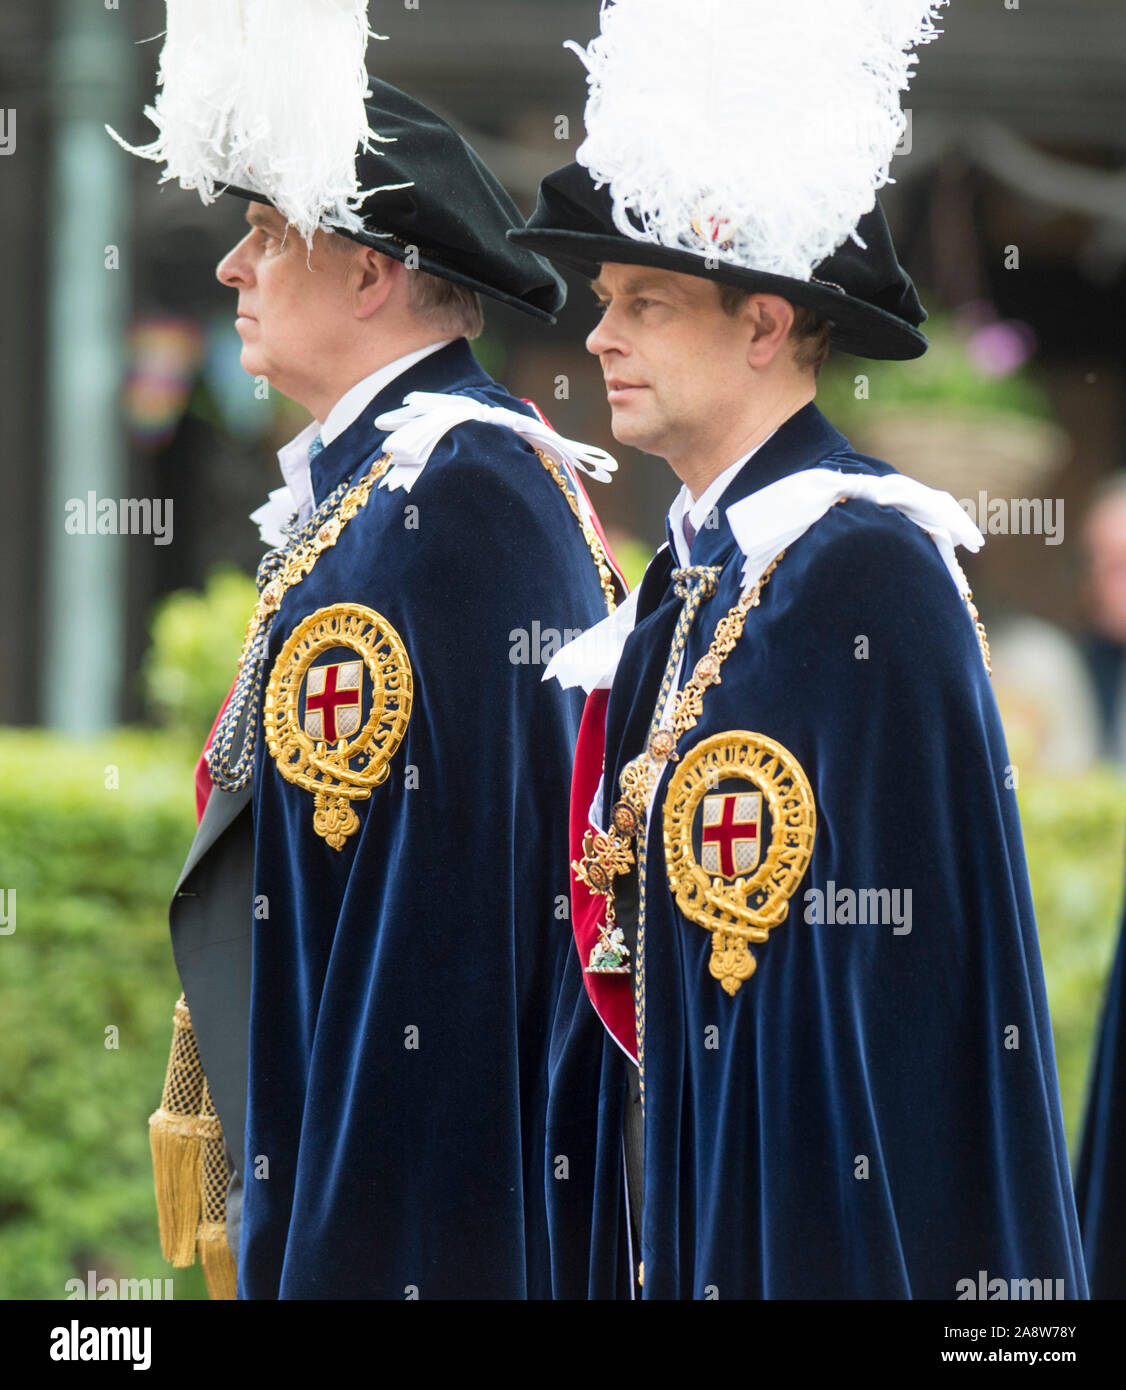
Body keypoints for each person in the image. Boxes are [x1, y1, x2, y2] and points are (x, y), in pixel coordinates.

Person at [509, 0, 1088, 1298]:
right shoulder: (697, 569)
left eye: (643, 302)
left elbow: (890, 1005)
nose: (599, 335)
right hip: (693, 1185)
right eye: (604, 301)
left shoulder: (863, 559)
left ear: (765, 325)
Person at [126, 66, 626, 1296]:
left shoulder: (461, 491)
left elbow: (451, 953)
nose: (233, 272)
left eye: (263, 236)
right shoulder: (383, 482)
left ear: (369, 271)